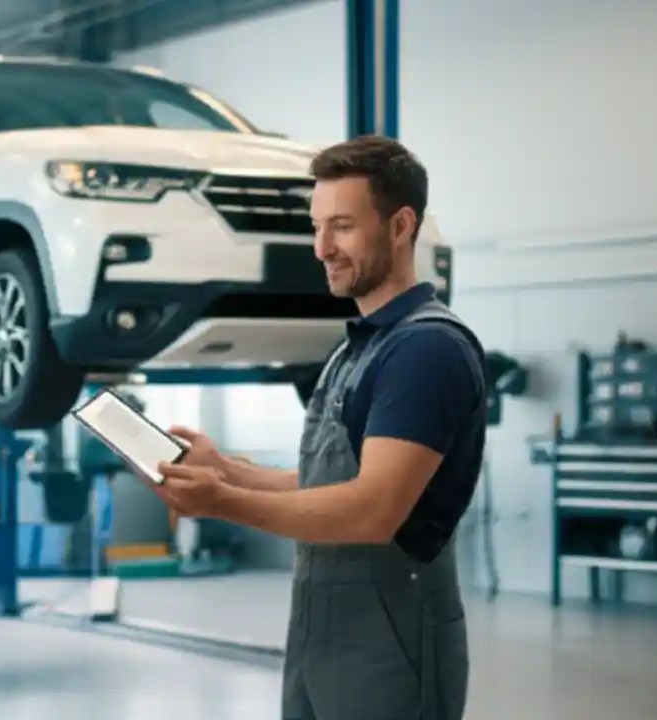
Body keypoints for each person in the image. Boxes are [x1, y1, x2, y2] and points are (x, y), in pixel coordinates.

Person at [154, 135, 486, 720]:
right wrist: (223, 469)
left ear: (401, 225)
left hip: (392, 644)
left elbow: (372, 509)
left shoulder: (426, 350)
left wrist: (223, 501)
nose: (322, 248)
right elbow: (327, 481)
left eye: (342, 227)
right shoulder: (358, 347)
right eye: (317, 227)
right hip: (321, 635)